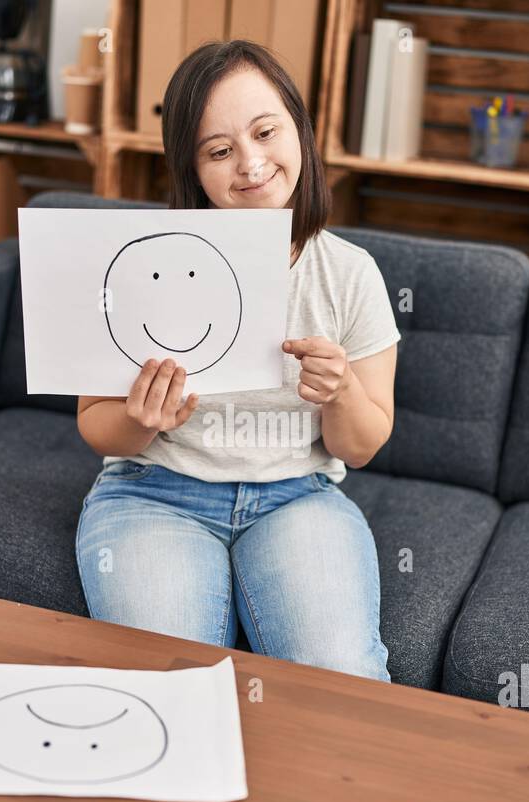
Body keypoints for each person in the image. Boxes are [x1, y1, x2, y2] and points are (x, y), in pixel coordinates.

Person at [74, 40, 400, 682]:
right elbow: (95, 425)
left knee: (341, 677)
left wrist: (340, 395)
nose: (251, 164)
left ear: (300, 136)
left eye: (265, 132)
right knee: (165, 684)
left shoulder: (351, 274)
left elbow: (361, 448)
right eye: (219, 150)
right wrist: (143, 419)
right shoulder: (139, 266)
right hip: (153, 494)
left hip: (296, 497)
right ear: (192, 170)